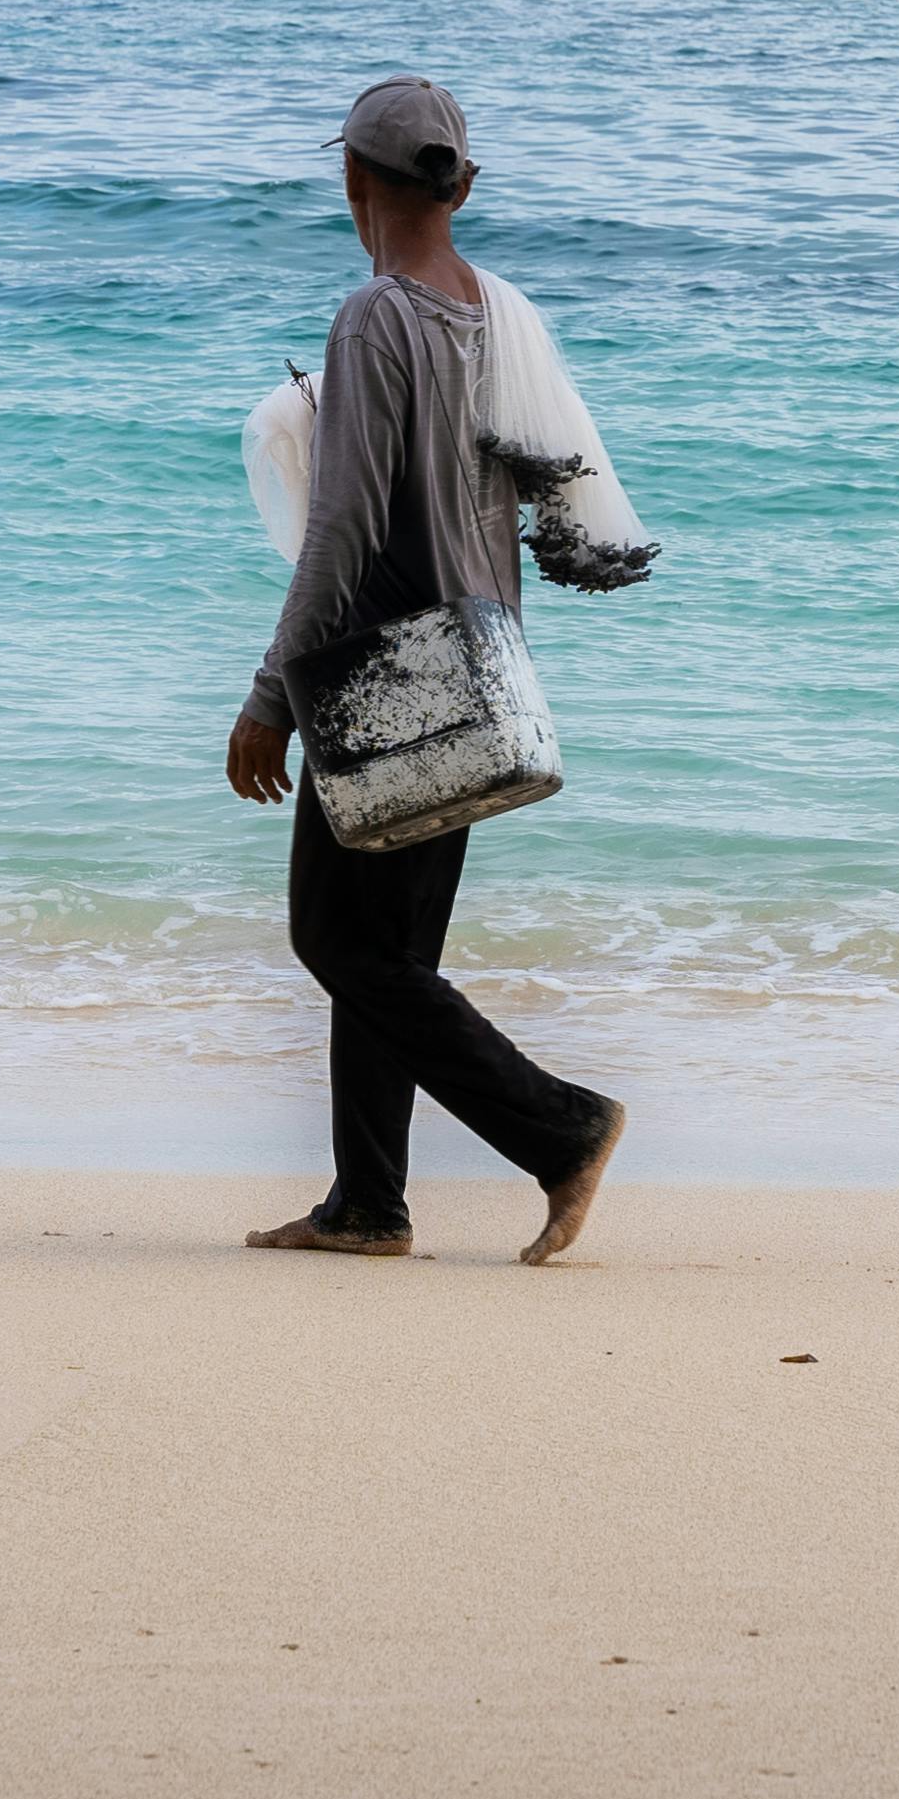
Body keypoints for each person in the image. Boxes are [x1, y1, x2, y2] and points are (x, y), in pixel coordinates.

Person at [224, 75, 641, 1265]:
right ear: (461, 184)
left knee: (336, 940)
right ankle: (367, 1203)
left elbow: (340, 532)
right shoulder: (489, 306)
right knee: (390, 953)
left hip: (385, 669)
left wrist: (270, 696)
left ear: (353, 178)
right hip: (481, 656)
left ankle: (560, 1129)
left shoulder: (376, 316)